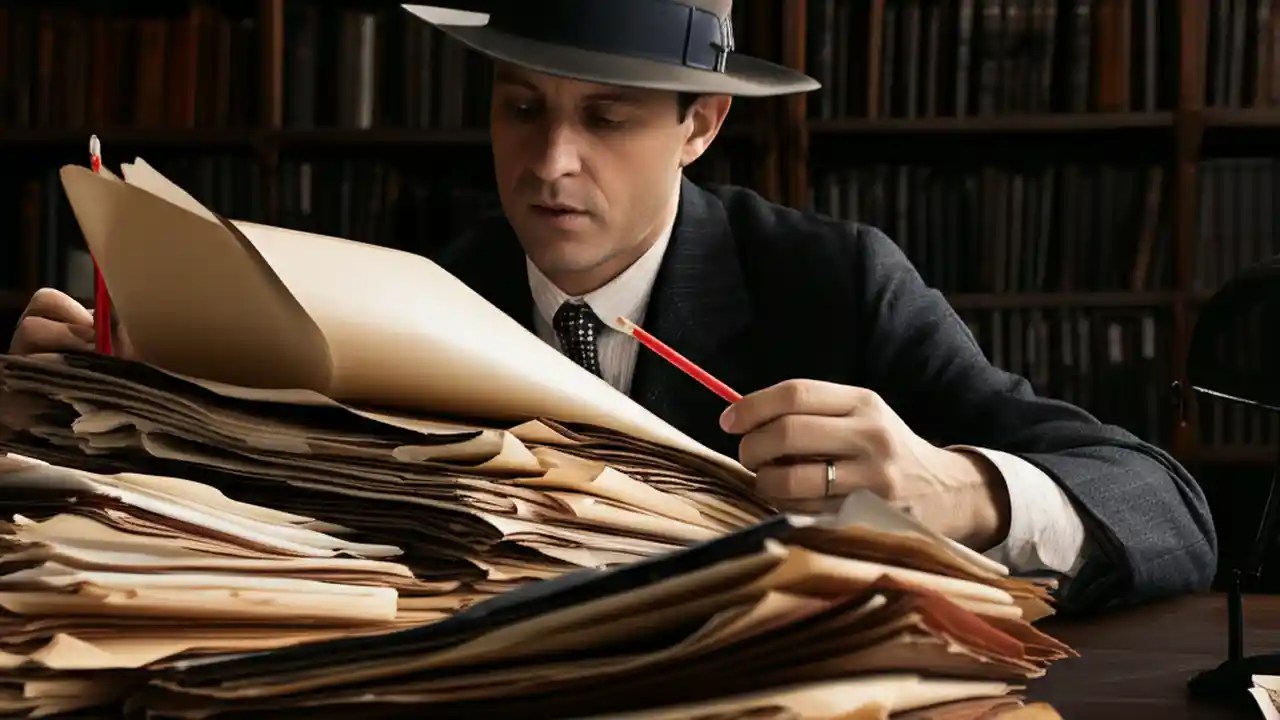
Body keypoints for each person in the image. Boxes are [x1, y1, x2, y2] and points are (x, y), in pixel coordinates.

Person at [9, 0, 1215, 614]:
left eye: (608, 118)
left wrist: (960, 488)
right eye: (522, 109)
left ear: (700, 124)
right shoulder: (398, 295)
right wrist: (82, 406)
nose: (549, 167)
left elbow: (1168, 508)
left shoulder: (830, 280)